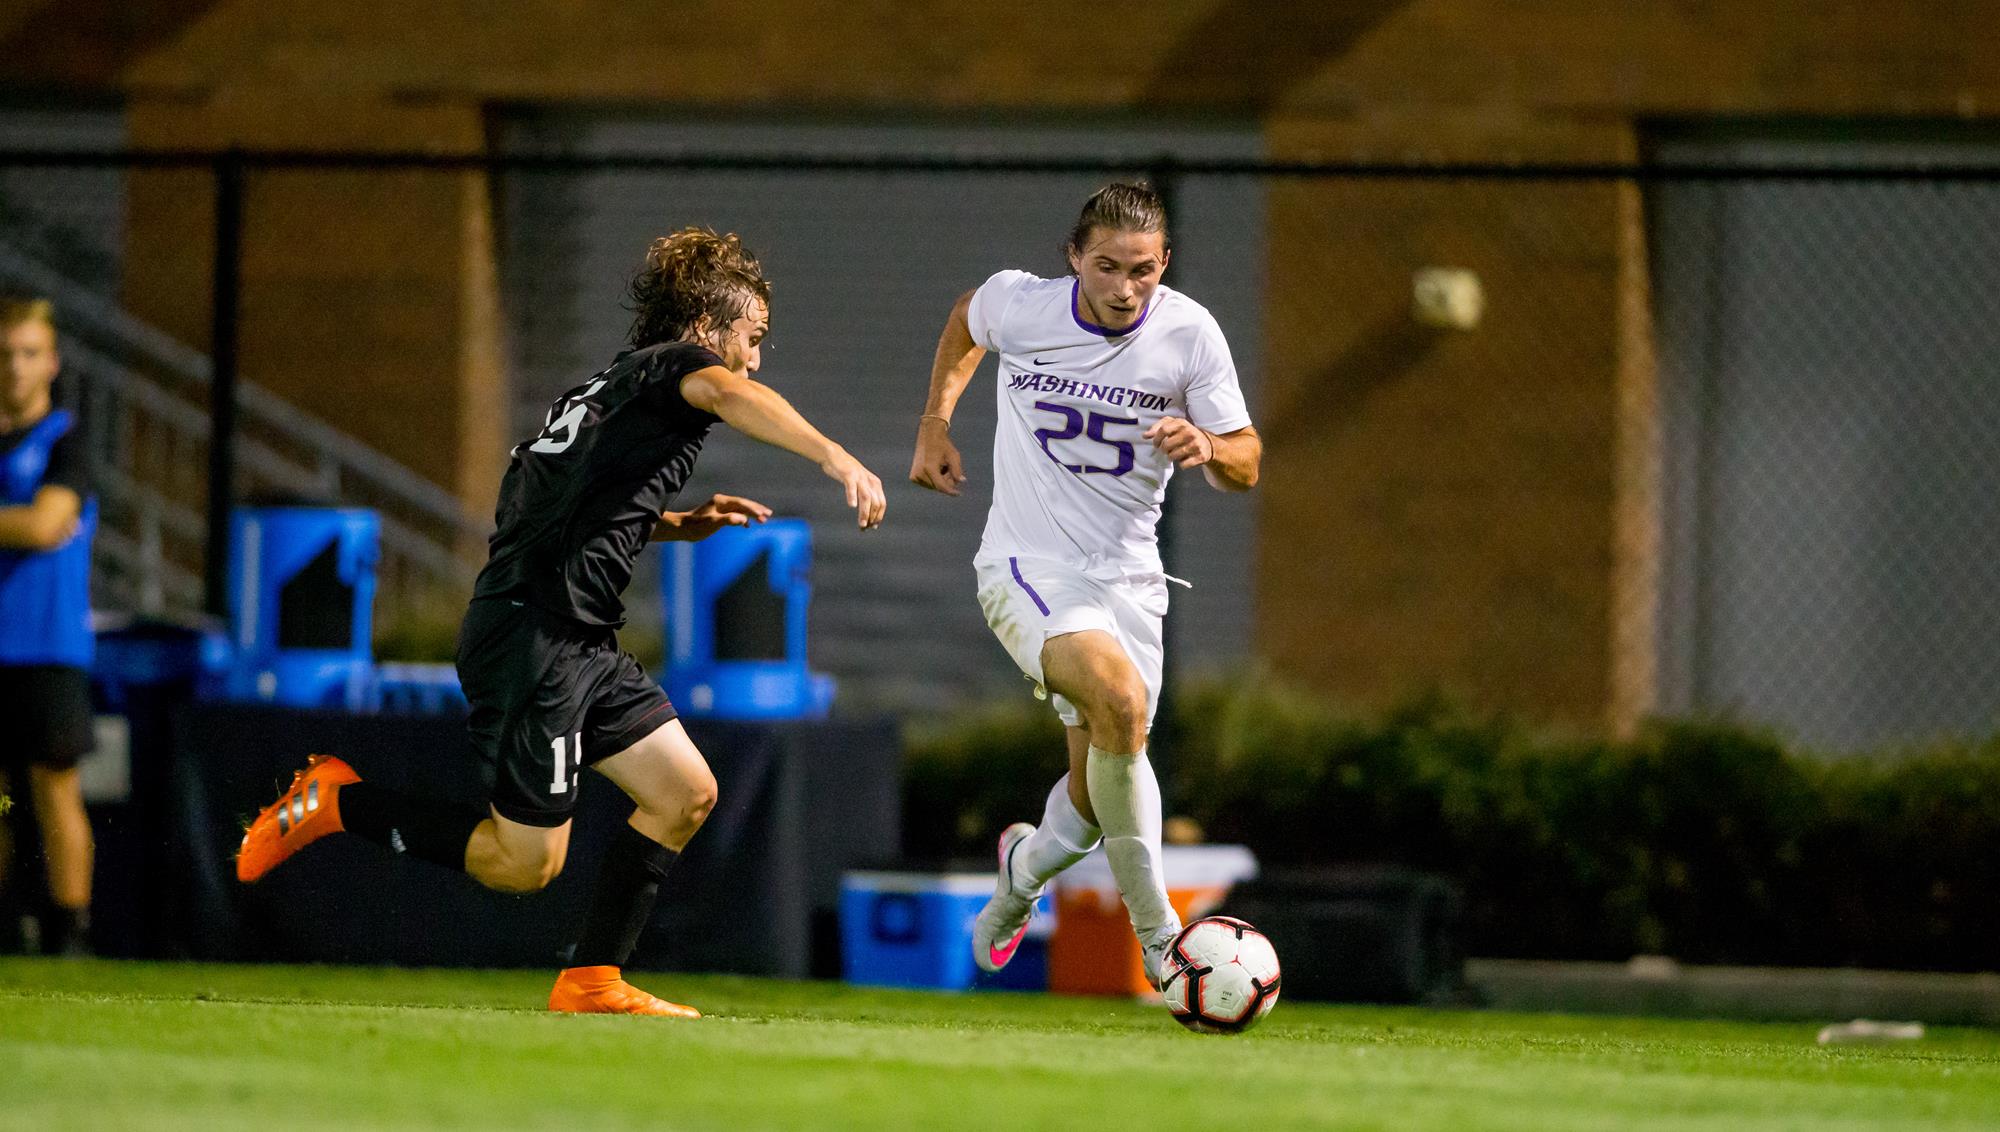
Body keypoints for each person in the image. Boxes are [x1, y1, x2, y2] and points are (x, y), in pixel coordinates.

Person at [236, 228, 886, 1016]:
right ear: (708, 329)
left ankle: (592, 980)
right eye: (752, 338)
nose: (755, 359)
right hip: (532, 640)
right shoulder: (685, 369)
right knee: (523, 865)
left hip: (578, 641)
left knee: (685, 793)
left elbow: (548, 509)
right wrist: (835, 456)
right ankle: (337, 800)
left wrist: (676, 523)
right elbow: (731, 394)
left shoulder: (608, 389)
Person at [909, 183, 1261, 986]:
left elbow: (1247, 462)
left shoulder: (1189, 334)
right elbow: (969, 315)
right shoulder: (1024, 306)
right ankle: (1163, 941)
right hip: (1028, 566)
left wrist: (1207, 444)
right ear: (1074, 257)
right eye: (1106, 267)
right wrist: (936, 423)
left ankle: (1020, 874)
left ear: (1163, 262)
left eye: (1142, 270)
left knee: (1098, 788)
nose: (1123, 287)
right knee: (1122, 704)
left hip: (1131, 582)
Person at [0, 295, 98, 957]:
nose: (15, 368)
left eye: (29, 353)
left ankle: (71, 929)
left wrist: (31, 524)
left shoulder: (67, 439)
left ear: (52, 362)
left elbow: (43, 525)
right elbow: (32, 522)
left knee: (54, 783)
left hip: (48, 642)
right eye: (5, 354)